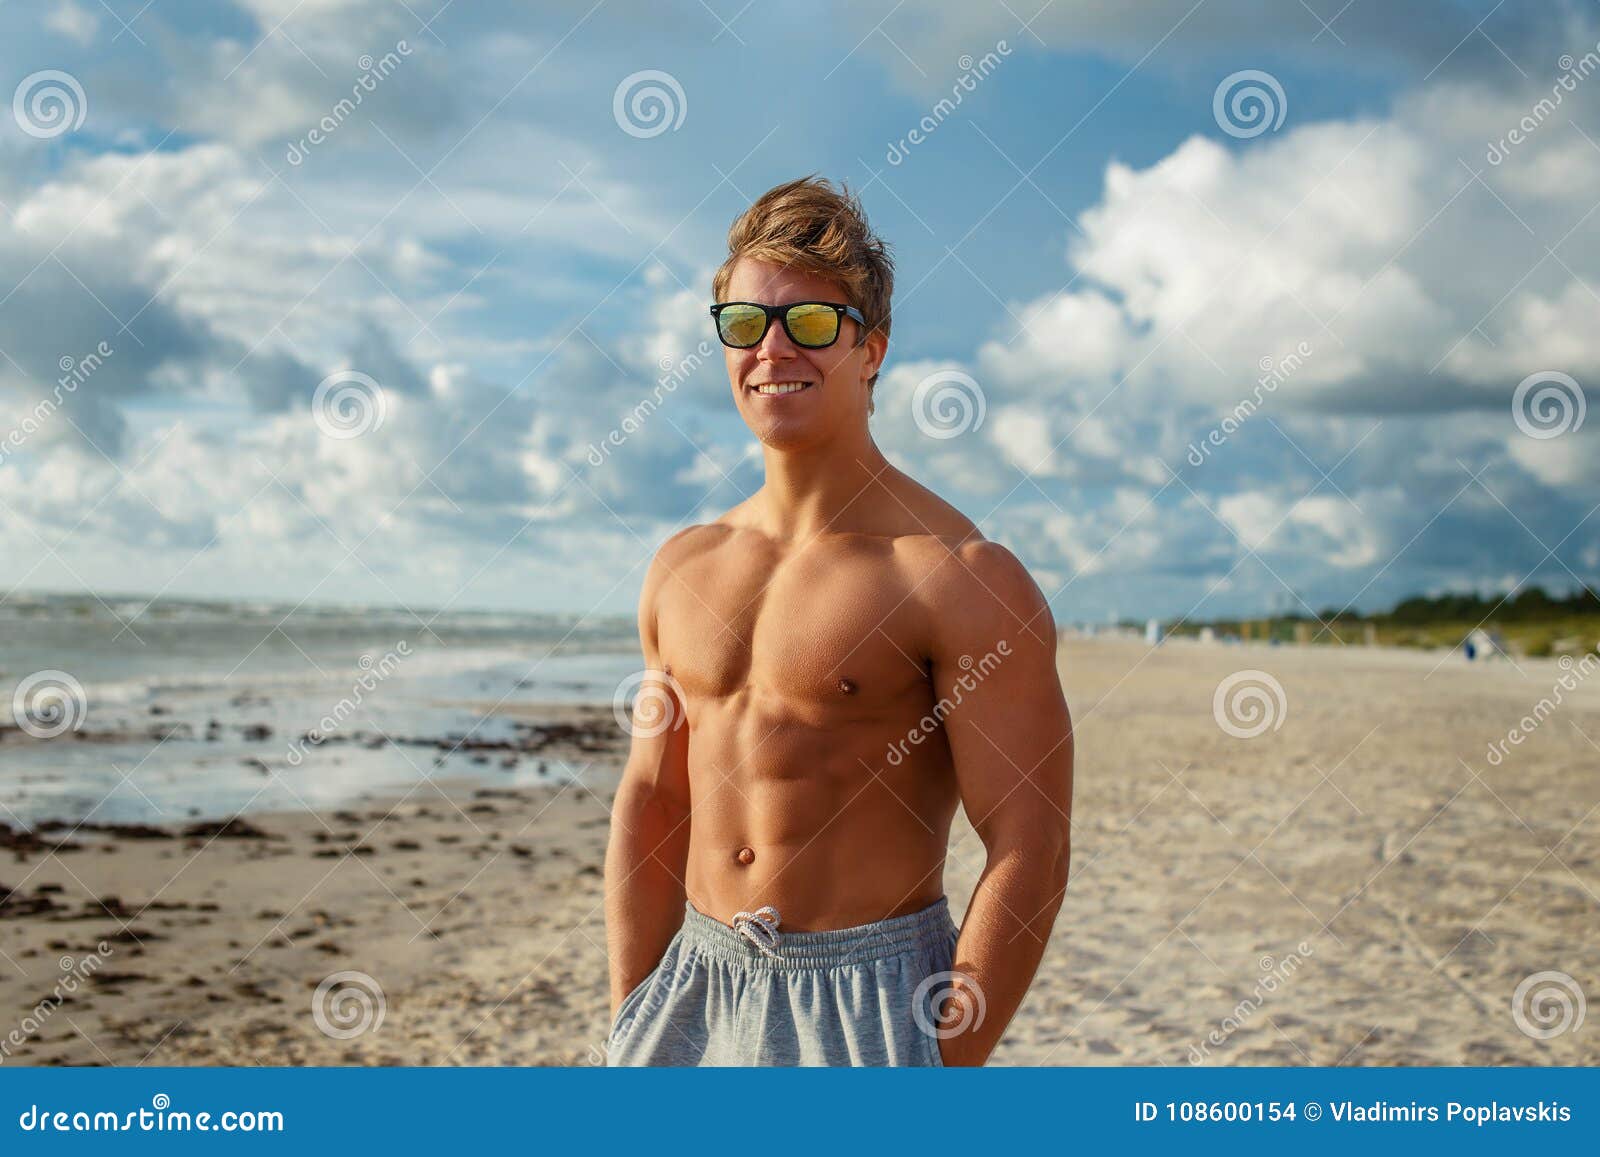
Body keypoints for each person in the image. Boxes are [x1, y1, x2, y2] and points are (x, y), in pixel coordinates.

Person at [603, 176, 1074, 1066]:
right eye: (745, 323)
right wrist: (634, 1008)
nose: (773, 347)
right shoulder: (682, 568)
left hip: (867, 1003)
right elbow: (656, 796)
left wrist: (942, 1057)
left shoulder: (959, 576)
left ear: (873, 350)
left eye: (811, 323)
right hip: (692, 989)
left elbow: (1031, 839)